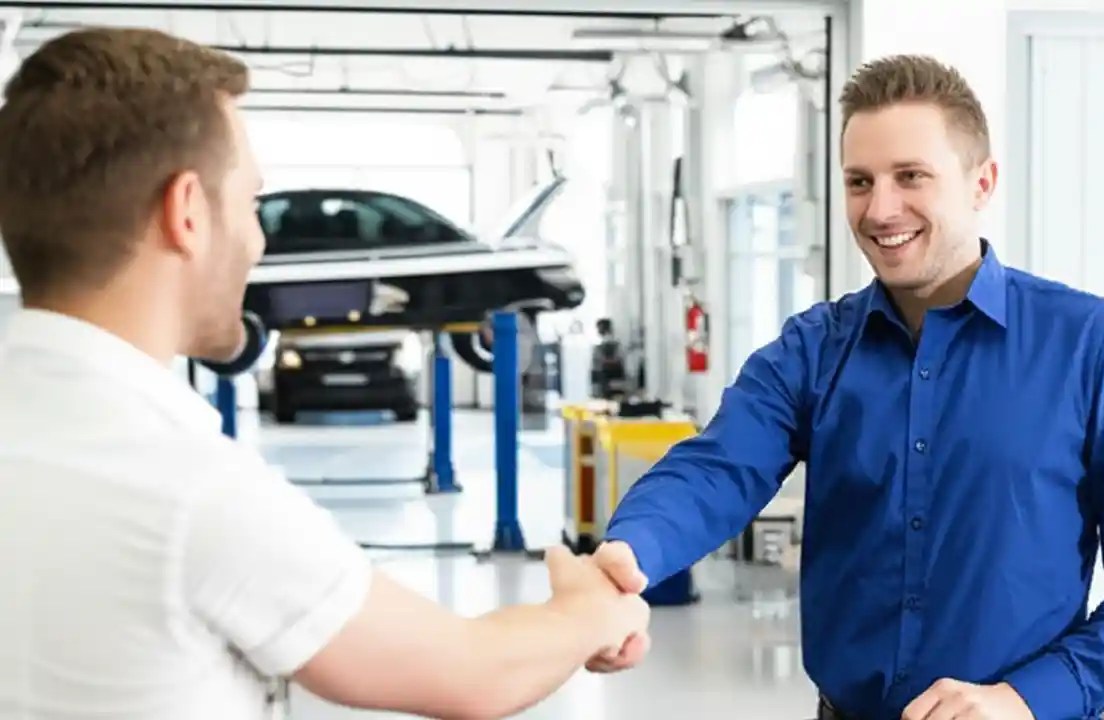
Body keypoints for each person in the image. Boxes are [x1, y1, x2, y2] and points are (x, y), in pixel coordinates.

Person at [0, 27, 648, 720]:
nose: (258, 239)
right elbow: (471, 673)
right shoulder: (188, 490)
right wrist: (589, 611)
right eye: (250, 204)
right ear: (186, 213)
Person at [585, 54, 1104, 720]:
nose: (880, 210)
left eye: (911, 176)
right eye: (860, 181)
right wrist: (627, 556)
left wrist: (1026, 699)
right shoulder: (814, 348)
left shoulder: (1091, 343)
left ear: (981, 182)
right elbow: (716, 470)